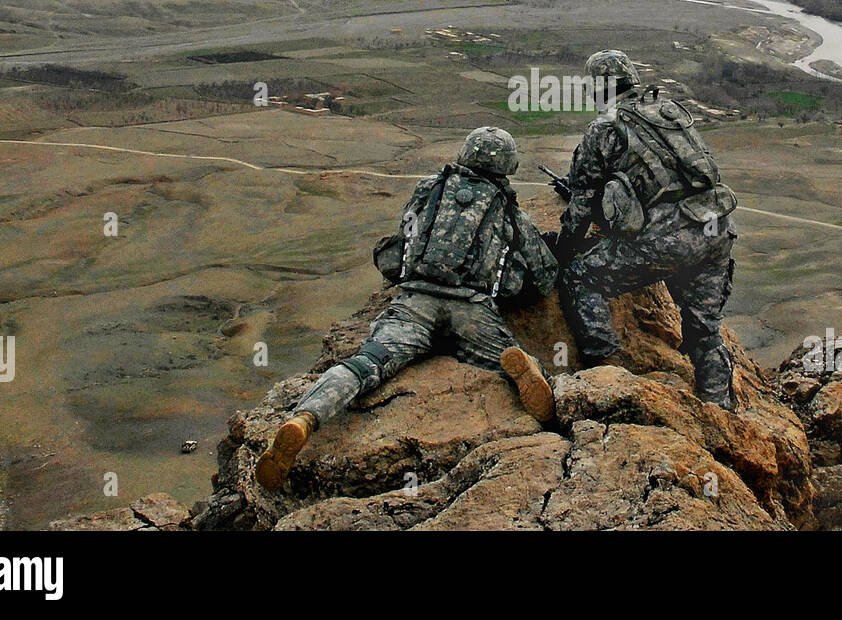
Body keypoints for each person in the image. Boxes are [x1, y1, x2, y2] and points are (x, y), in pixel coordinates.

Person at [256, 126, 557, 490]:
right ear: (507, 164)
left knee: (368, 363)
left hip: (415, 301)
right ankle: (522, 369)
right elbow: (543, 277)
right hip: (471, 309)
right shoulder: (508, 210)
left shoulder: (428, 189)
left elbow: (406, 237)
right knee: (507, 357)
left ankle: (305, 418)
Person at [555, 50, 740, 409]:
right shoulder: (666, 111)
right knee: (705, 329)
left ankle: (609, 376)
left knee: (580, 278)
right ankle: (719, 408)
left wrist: (564, 248)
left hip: (669, 236)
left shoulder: (605, 125)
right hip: (716, 227)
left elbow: (582, 199)